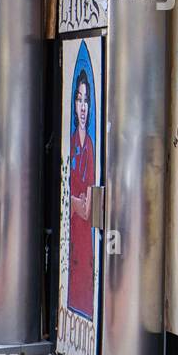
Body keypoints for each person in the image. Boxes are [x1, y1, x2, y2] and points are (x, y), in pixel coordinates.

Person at [68, 67, 96, 318]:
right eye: (79, 99)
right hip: (73, 234)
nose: (83, 106)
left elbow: (87, 209)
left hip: (85, 235)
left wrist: (75, 202)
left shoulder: (89, 147)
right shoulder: (72, 143)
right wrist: (76, 201)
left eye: (86, 100)